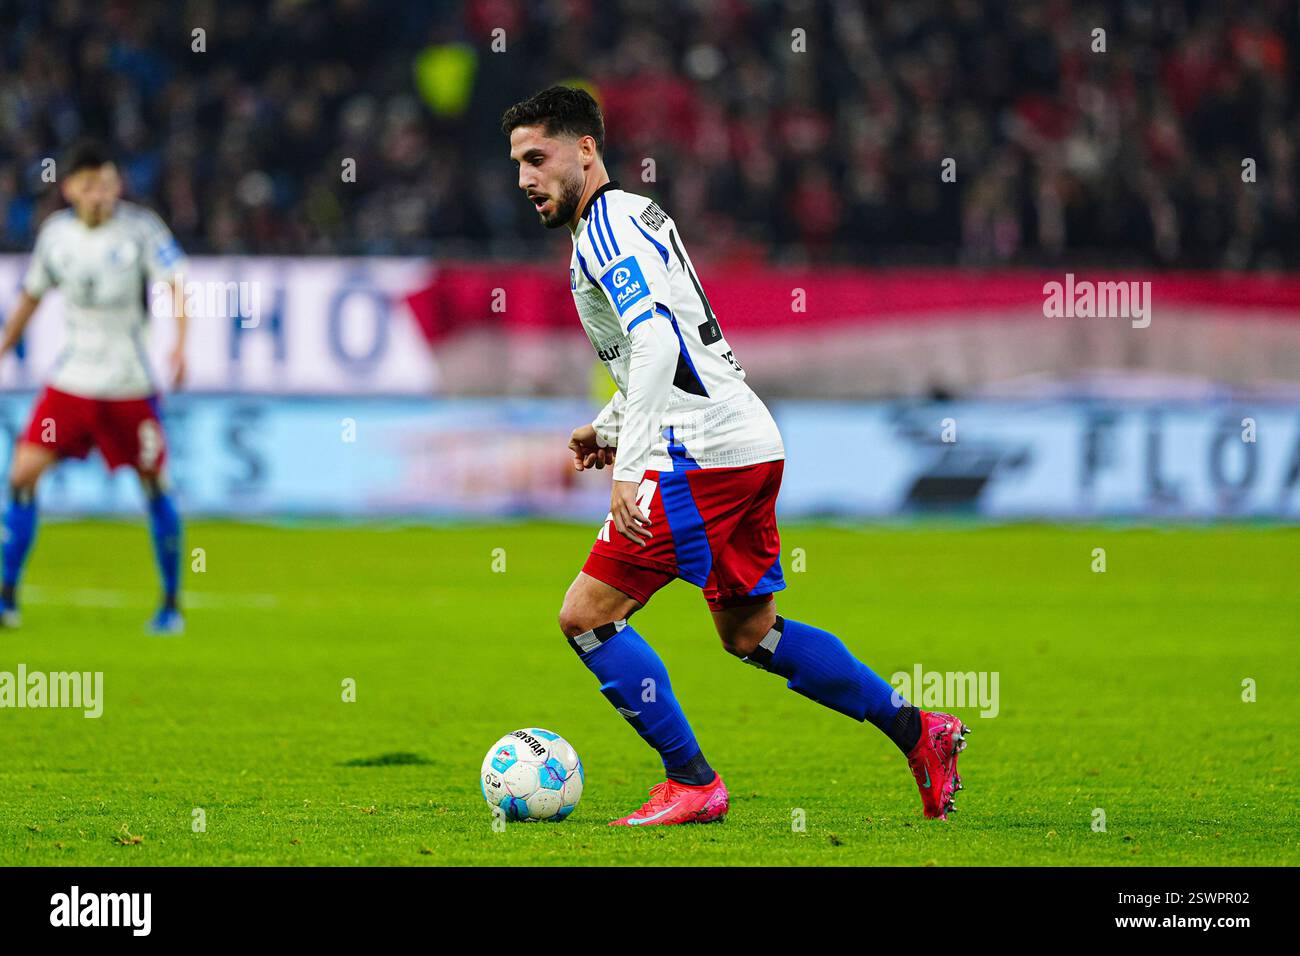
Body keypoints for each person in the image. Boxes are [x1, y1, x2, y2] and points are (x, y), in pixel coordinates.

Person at [502, 86, 968, 826]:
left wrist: (633, 463)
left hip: (699, 456)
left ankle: (693, 782)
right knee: (751, 633)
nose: (524, 177)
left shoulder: (606, 230)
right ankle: (921, 732)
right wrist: (612, 420)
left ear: (585, 149)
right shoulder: (633, 216)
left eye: (538, 157)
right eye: (518, 163)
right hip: (745, 440)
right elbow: (673, 347)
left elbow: (656, 342)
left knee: (587, 616)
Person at [0, 140, 187, 635]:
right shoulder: (55, 236)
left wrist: (180, 345)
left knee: (155, 486)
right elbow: (32, 295)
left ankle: (171, 604)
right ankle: (6, 595)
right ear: (69, 190)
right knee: (21, 474)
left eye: (106, 184)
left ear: (117, 185)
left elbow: (177, 282)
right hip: (72, 382)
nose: (99, 194)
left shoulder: (141, 229)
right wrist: (5, 343)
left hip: (129, 384)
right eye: (88, 185)